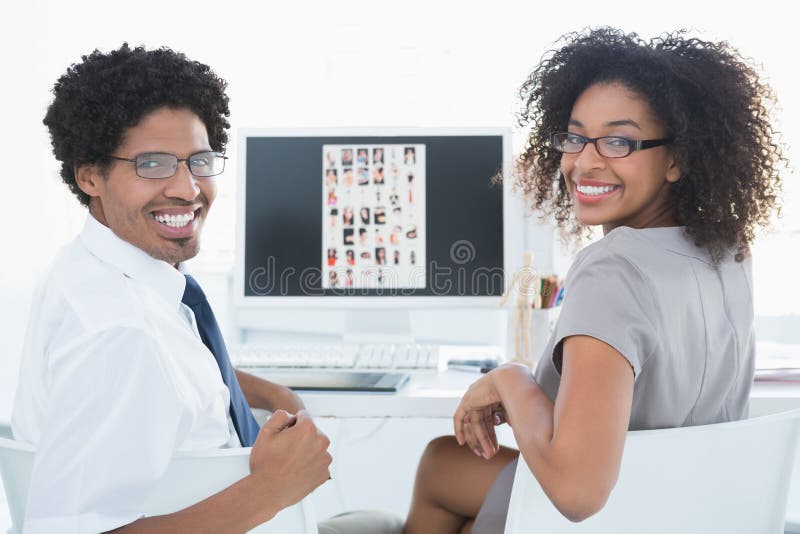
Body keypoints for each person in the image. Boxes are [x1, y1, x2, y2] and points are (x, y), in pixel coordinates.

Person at [404, 27, 784, 534]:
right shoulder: (728, 247)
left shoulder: (615, 268)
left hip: (620, 515)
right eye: (576, 136)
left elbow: (579, 493)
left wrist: (509, 378)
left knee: (439, 465)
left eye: (619, 141)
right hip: (692, 511)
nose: (584, 160)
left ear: (679, 159)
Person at [11, 43, 401, 534]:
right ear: (90, 175)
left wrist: (265, 391)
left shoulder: (94, 273)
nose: (188, 189)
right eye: (152, 164)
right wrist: (271, 490)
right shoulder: (122, 336)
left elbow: (164, 380)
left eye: (198, 161)